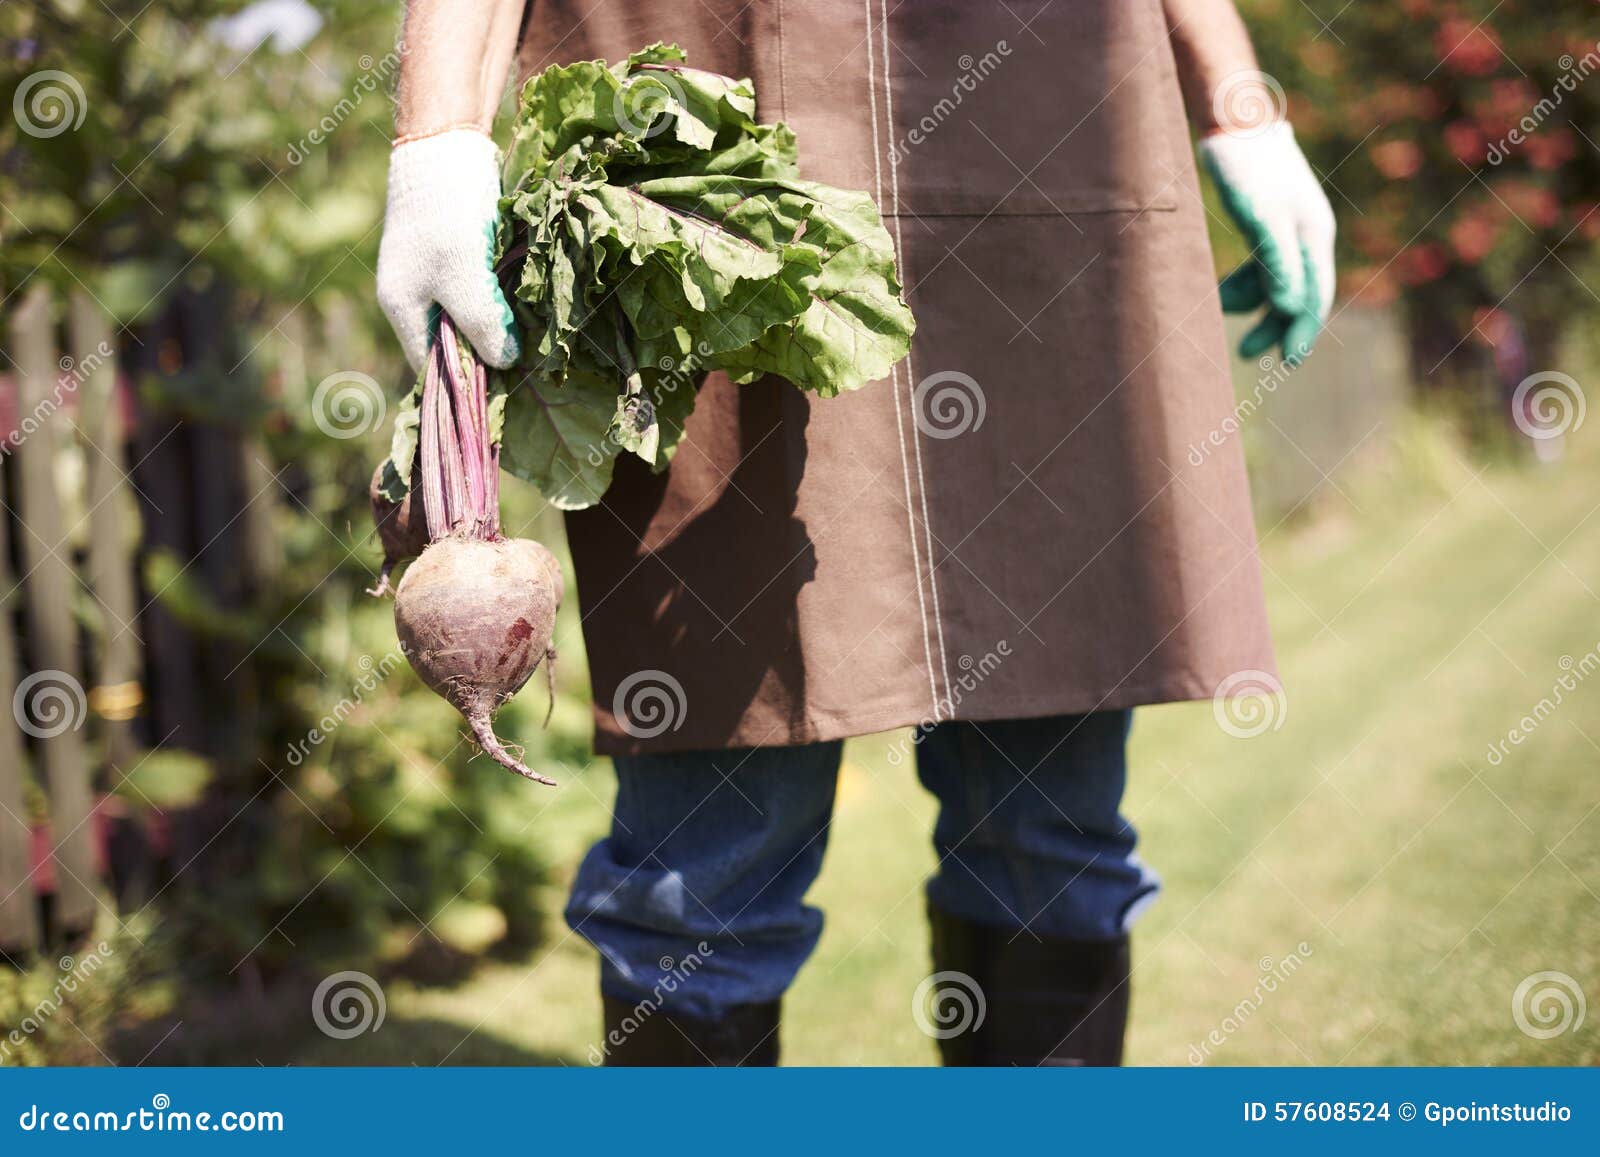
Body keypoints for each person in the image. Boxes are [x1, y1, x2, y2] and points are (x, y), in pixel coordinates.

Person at [377, 0, 1335, 1066]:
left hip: (1040, 112)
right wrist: (437, 141)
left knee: (1049, 825)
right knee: (708, 858)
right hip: (706, 110)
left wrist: (1239, 103)